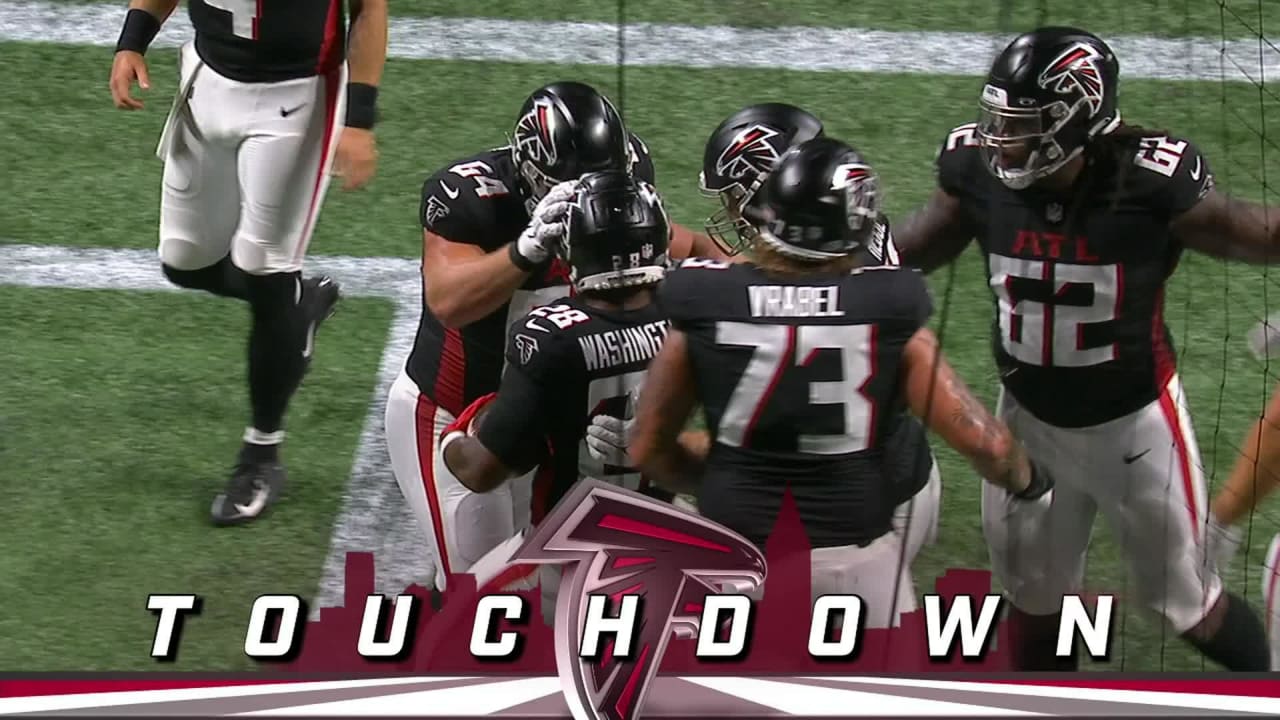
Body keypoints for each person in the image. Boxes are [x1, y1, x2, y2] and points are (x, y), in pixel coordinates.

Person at [893, 26, 1273, 670]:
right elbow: (911, 252)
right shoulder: (977, 175)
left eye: (1022, 124)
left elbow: (1254, 235)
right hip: (1026, 421)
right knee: (1034, 606)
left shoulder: (1148, 182)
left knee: (1185, 604)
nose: (1000, 139)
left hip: (1137, 426)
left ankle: (1267, 687)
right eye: (998, 121)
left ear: (1078, 118)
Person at [630, 137, 1051, 630]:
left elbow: (647, 448)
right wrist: (1030, 482)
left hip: (732, 560)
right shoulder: (886, 306)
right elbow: (985, 442)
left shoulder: (707, 297)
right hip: (854, 569)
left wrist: (729, 477)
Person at [386, 81, 722, 592]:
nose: (588, 200)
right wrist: (525, 249)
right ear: (528, 169)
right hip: (454, 413)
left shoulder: (622, 181)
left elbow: (687, 244)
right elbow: (448, 301)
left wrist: (777, 285)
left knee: (552, 569)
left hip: (546, 416)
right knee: (482, 589)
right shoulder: (473, 196)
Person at [108, 0, 387, 525]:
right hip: (207, 80)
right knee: (183, 260)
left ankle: (261, 453)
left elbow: (369, 11)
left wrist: (360, 116)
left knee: (265, 267)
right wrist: (133, 39)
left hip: (298, 96)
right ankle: (294, 305)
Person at [697, 100, 942, 565]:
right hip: (904, 465)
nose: (731, 209)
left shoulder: (793, 298)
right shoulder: (849, 228)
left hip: (852, 509)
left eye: (735, 194)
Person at [436, 170, 676, 595]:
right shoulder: (698, 313)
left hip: (568, 563)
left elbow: (482, 470)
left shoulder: (550, 335)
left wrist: (454, 435)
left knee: (454, 620)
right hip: (668, 550)